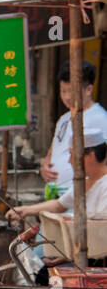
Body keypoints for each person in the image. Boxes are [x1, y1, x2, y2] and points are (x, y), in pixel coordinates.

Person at [42, 61, 107, 201]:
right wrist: (45, 165)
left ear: (88, 89)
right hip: (56, 194)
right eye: (63, 90)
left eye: (72, 91)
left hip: (80, 196)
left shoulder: (99, 118)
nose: (66, 97)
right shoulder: (64, 119)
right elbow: (53, 151)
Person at [13, 128, 107, 222]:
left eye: (72, 155)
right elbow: (59, 205)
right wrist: (25, 210)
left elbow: (100, 224)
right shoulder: (85, 182)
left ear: (90, 156)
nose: (70, 161)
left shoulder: (105, 185)